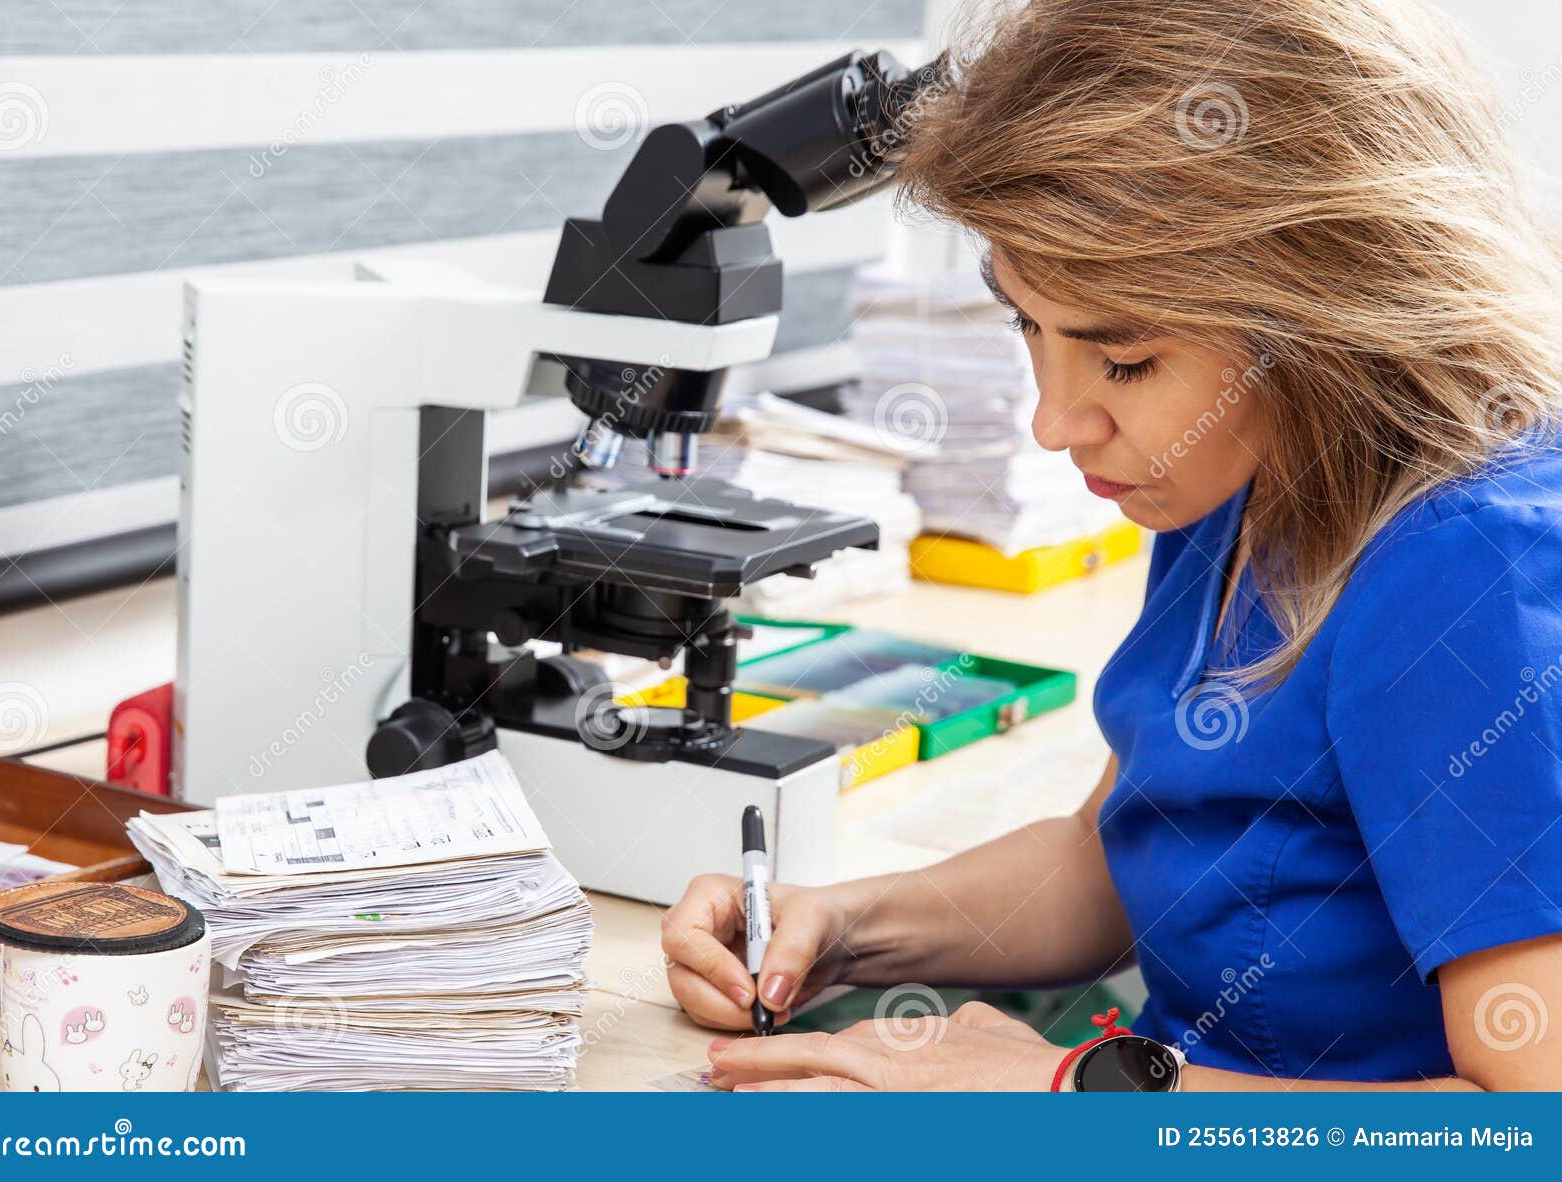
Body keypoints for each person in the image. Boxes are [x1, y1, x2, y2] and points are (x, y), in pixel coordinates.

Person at [662, 0, 1562, 1091]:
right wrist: (839, 928)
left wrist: (1072, 1093)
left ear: (1326, 317)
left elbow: (1527, 1126)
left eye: (1123, 362)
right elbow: (1118, 853)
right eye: (1025, 325)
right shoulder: (1237, 475)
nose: (1054, 422)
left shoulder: (1466, 576)